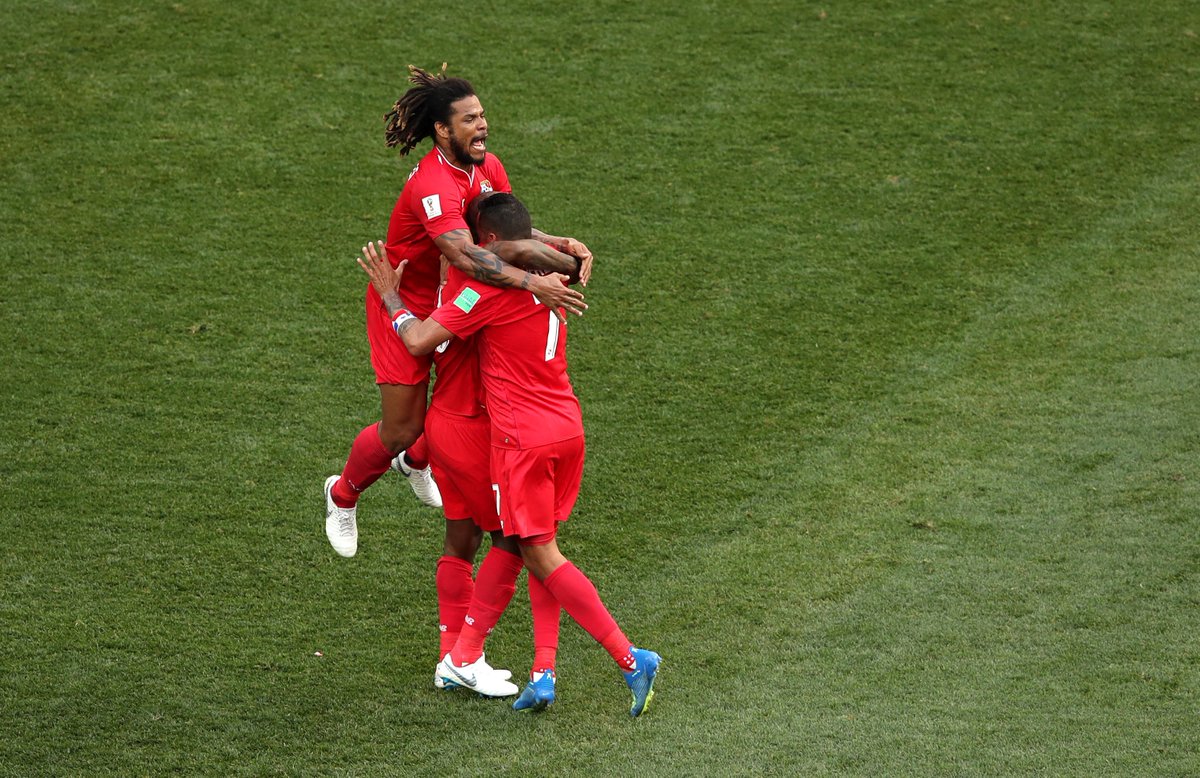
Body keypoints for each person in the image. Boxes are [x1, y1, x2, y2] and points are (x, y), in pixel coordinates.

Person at [357, 193, 662, 718]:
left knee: (535, 552)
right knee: (534, 543)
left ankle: (631, 659)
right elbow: (547, 258)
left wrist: (390, 295)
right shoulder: (555, 285)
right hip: (568, 426)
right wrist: (568, 249)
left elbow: (418, 341)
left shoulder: (481, 292)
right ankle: (542, 672)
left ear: (491, 244)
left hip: (519, 439)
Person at [325, 63, 593, 558]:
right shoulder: (433, 185)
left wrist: (558, 243)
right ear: (442, 130)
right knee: (403, 427)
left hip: (461, 298)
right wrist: (539, 280)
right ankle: (343, 494)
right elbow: (467, 253)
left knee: (465, 404)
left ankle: (417, 463)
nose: (482, 126)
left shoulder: (485, 165)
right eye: (469, 120)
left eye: (483, 116)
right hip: (404, 295)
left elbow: (500, 232)